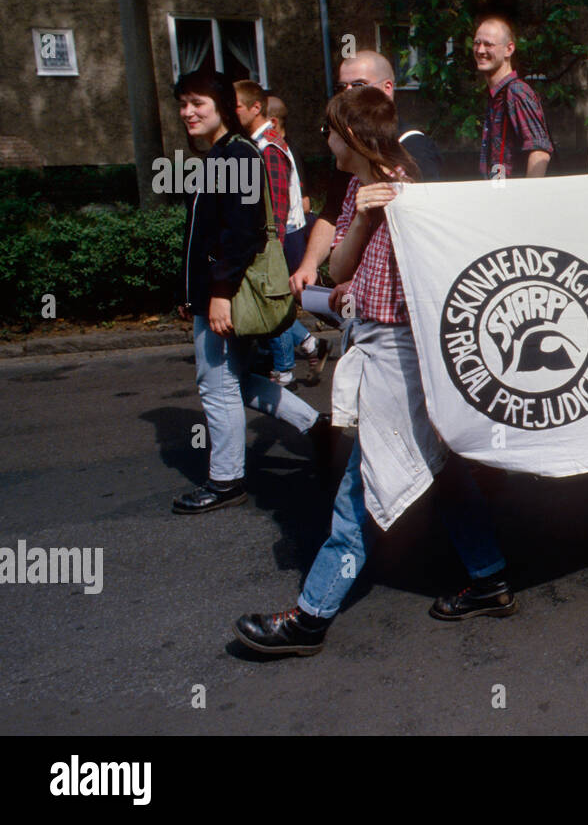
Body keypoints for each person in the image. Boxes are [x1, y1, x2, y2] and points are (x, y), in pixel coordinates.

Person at [233, 87, 516, 656]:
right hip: (379, 345)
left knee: (361, 487)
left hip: (404, 356)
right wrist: (359, 240)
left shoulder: (410, 192)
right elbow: (340, 265)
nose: (325, 140)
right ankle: (489, 578)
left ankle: (310, 618)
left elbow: (433, 281)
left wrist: (366, 283)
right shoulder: (359, 191)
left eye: (331, 131)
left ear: (354, 137)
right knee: (442, 470)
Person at [171, 70, 331, 514]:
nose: (187, 112)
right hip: (217, 292)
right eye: (183, 104)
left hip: (230, 295)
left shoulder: (237, 154)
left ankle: (226, 481)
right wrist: (190, 294)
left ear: (221, 106)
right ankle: (316, 426)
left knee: (217, 386)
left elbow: (242, 234)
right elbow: (203, 235)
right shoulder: (222, 154)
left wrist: (219, 293)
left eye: (197, 103)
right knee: (234, 382)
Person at [289, 51, 438, 300]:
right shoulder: (352, 171)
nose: (347, 93)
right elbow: (332, 214)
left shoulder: (412, 151)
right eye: (341, 87)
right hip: (364, 300)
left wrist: (359, 283)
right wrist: (310, 264)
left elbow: (422, 242)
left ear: (387, 88)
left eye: (358, 85)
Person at [233, 81, 329, 388]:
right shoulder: (259, 144)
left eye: (235, 106)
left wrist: (268, 248)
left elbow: (276, 206)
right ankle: (311, 344)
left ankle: (285, 370)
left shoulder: (268, 147)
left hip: (278, 238)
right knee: (277, 300)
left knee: (272, 298)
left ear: (255, 108)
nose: (230, 112)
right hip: (278, 235)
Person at [474, 16, 553, 179]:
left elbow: (540, 152)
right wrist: (496, 189)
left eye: (488, 44)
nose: (480, 50)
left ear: (509, 49)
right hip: (501, 191)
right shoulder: (497, 95)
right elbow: (499, 161)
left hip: (516, 193)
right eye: (477, 43)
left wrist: (529, 194)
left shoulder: (517, 92)